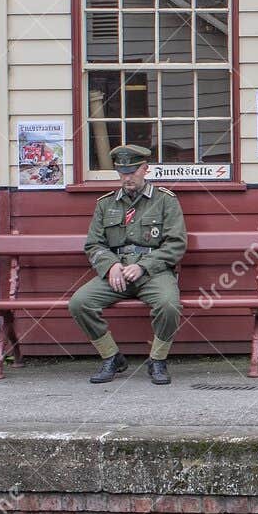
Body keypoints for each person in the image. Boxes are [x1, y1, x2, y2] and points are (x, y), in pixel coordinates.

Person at [67, 144, 188, 385]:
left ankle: (158, 360)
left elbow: (176, 244)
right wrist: (111, 266)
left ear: (145, 169)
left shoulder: (166, 201)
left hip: (153, 272)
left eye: (132, 171)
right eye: (122, 172)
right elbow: (94, 244)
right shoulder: (105, 204)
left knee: (169, 305)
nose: (127, 177)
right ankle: (112, 357)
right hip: (116, 273)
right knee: (80, 303)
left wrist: (144, 266)